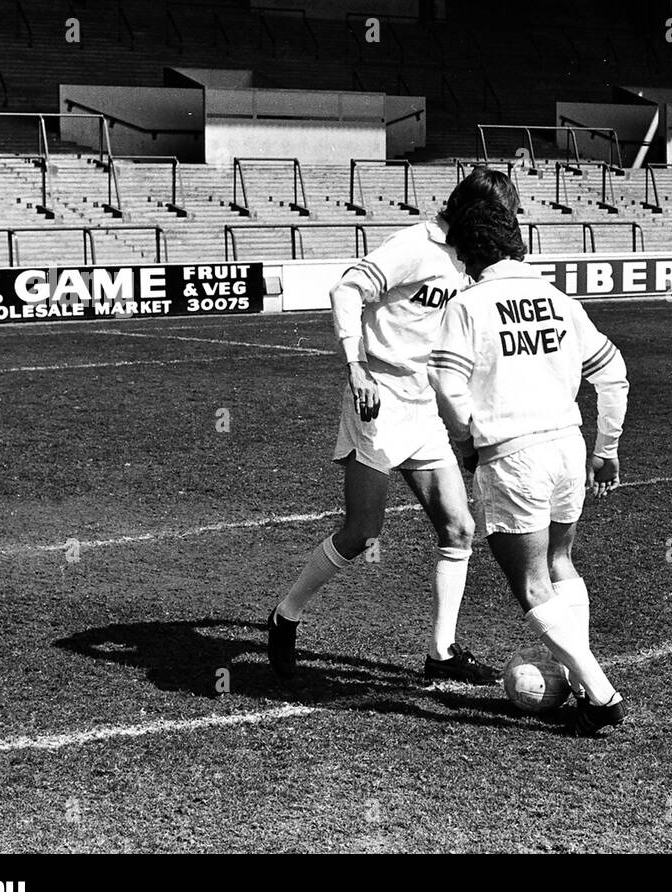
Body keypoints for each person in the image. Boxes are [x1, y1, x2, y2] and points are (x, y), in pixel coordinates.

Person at [267, 169, 520, 684]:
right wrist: (355, 367)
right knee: (362, 534)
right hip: (378, 400)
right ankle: (286, 614)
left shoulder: (471, 259)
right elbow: (347, 289)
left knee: (459, 527)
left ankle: (441, 653)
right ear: (473, 211)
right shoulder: (416, 245)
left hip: (426, 406)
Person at [429, 199, 630, 735]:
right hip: (567, 446)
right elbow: (613, 374)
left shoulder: (467, 305)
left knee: (532, 586)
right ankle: (579, 683)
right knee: (561, 561)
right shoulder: (557, 298)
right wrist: (606, 448)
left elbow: (447, 386)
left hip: (512, 455)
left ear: (471, 252)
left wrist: (465, 441)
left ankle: (600, 693)